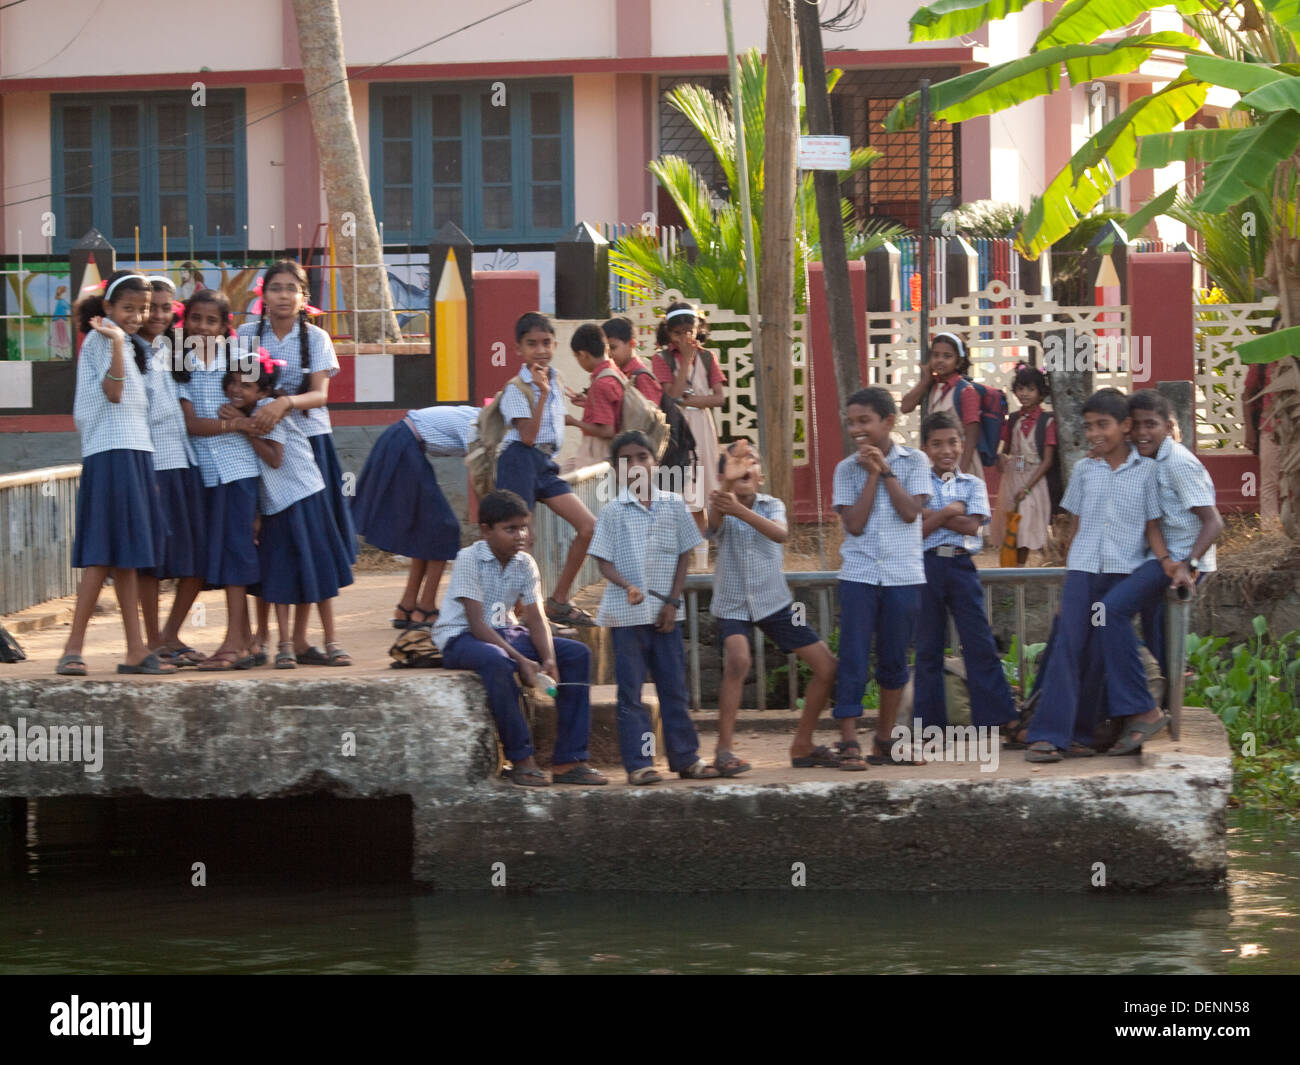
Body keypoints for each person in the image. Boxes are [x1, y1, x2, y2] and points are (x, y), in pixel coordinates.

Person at [1025, 388, 1162, 763]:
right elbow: (1077, 526)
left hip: (1120, 575)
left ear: (1125, 426)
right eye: (1089, 427)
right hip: (1084, 572)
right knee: (1068, 644)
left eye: (1103, 425)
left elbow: (1153, 526)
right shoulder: (1085, 469)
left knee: (1098, 650)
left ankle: (1080, 734)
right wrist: (1069, 578)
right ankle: (1048, 734)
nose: (1095, 433)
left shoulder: (1149, 472)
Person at [433, 490, 606, 787]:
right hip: (462, 638)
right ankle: (521, 758)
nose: (520, 535)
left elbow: (536, 618)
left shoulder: (525, 563)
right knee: (498, 662)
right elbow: (477, 625)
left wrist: (548, 657)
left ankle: (570, 760)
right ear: (486, 531)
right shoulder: (469, 559)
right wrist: (522, 660)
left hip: (507, 633)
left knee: (577, 655)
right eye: (510, 529)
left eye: (523, 527)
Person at [56, 271, 175, 677]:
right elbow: (113, 393)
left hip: (137, 453)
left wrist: (128, 344)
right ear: (107, 308)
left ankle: (136, 650)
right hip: (110, 453)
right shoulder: (100, 341)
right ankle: (72, 648)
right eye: (128, 308)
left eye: (142, 309)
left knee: (126, 559)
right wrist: (120, 343)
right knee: (101, 556)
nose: (137, 316)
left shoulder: (137, 347)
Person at [235, 260, 355, 658]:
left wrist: (283, 402)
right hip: (261, 444)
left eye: (292, 288)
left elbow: (320, 394)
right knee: (267, 539)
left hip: (311, 445)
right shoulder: (248, 335)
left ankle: (301, 638)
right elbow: (235, 386)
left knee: (309, 541)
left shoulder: (317, 338)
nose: (283, 296)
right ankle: (263, 636)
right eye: (275, 288)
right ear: (263, 295)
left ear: (305, 297)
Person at [589, 430, 721, 784]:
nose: (635, 466)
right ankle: (640, 763)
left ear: (655, 462)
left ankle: (685, 757)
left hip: (666, 614)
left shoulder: (674, 505)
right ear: (615, 469)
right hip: (626, 615)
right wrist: (626, 585)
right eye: (625, 460)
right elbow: (603, 563)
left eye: (641, 458)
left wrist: (673, 601)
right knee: (631, 692)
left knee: (674, 687)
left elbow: (683, 555)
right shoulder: (612, 512)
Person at [1098, 389, 1224, 755]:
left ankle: (1142, 708)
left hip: (1178, 561)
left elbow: (1214, 522)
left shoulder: (1178, 463)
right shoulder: (1146, 457)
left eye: (1151, 424)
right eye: (1135, 425)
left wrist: (1190, 564)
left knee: (1110, 612)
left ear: (1169, 427)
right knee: (1158, 640)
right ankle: (1153, 706)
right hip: (1161, 557)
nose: (1142, 432)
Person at [708, 439, 839, 773]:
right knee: (738, 659)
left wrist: (741, 509)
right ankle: (723, 750)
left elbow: (780, 534)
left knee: (827, 666)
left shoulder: (772, 504)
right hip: (733, 604)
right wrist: (727, 489)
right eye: (737, 462)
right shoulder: (722, 502)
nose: (744, 466)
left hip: (775, 602)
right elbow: (711, 526)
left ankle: (803, 744)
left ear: (761, 475)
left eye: (751, 460)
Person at [831, 387, 931, 767]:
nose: (856, 429)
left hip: (902, 574)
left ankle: (885, 738)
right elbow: (854, 524)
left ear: (887, 422)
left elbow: (910, 513)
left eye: (864, 421)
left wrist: (885, 471)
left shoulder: (915, 461)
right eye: (851, 422)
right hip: (859, 574)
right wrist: (870, 476)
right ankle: (848, 741)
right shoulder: (846, 469)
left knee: (893, 658)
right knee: (854, 655)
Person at [914, 412, 1018, 733]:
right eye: (936, 444)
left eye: (952, 442)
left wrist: (932, 516)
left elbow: (971, 526)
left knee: (979, 641)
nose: (946, 450)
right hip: (926, 566)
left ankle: (997, 719)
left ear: (962, 444)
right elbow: (914, 530)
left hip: (961, 565)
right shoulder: (915, 485)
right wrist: (948, 511)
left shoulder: (973, 483)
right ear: (925, 448)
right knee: (928, 645)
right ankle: (929, 725)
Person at [495, 311, 597, 626]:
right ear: (518, 350)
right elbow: (526, 436)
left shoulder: (555, 379)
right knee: (522, 538)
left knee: (589, 527)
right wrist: (540, 394)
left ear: (555, 344)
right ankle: (518, 612)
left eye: (546, 343)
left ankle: (558, 600)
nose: (539, 350)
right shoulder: (516, 388)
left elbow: (552, 428)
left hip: (544, 462)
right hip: (518, 459)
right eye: (531, 344)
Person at [179, 289, 263, 671]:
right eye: (196, 319)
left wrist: (241, 422)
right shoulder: (182, 362)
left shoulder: (241, 359)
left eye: (212, 321)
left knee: (237, 554)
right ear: (186, 321)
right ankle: (243, 642)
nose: (202, 327)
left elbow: (259, 405)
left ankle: (235, 643)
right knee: (229, 554)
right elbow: (192, 424)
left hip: (239, 470)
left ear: (225, 326)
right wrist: (235, 423)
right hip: (208, 475)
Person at [352, 404, 479, 630]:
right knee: (446, 528)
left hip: (404, 444)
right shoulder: (479, 424)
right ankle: (426, 608)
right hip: (403, 444)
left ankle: (407, 607)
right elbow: (479, 471)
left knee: (428, 530)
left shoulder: (486, 423)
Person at [137, 275, 206, 667]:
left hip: (185, 464)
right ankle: (150, 641)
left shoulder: (175, 350)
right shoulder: (127, 351)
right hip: (152, 466)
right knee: (152, 562)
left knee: (195, 558)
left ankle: (170, 634)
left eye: (167, 308)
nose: (159, 315)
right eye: (152, 308)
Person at [652, 301, 726, 565]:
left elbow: (719, 398)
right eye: (678, 332)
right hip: (676, 431)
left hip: (702, 430)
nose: (686, 337)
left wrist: (688, 400)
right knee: (679, 493)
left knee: (700, 497)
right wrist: (685, 364)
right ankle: (674, 560)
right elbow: (671, 396)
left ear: (698, 329)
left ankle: (702, 563)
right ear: (669, 333)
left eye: (690, 330)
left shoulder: (708, 357)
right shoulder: (661, 359)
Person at [991, 363, 1058, 565]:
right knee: (1012, 522)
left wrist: (1027, 486)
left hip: (1035, 480)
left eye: (1031, 389)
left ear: (1040, 393)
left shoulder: (1047, 421)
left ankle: (1020, 567)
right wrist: (1002, 459)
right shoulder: (1013, 420)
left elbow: (1047, 460)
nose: (1025, 394)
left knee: (1027, 523)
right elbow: (1012, 451)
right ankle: (1011, 567)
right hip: (1016, 475)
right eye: (1020, 389)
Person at [563, 322, 625, 470]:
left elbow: (607, 431)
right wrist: (588, 403)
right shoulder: (615, 372)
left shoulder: (601, 383)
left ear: (583, 355)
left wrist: (573, 422)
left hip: (599, 453)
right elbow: (614, 409)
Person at [1244, 344, 1282, 531]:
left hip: (1296, 431)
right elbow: (1247, 395)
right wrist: (1250, 431)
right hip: (1270, 429)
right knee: (1269, 482)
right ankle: (1271, 533)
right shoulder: (1262, 362)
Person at [602, 316, 662, 404]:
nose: (609, 354)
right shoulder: (619, 373)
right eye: (606, 350)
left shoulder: (641, 377)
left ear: (632, 344)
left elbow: (651, 416)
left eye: (612, 347)